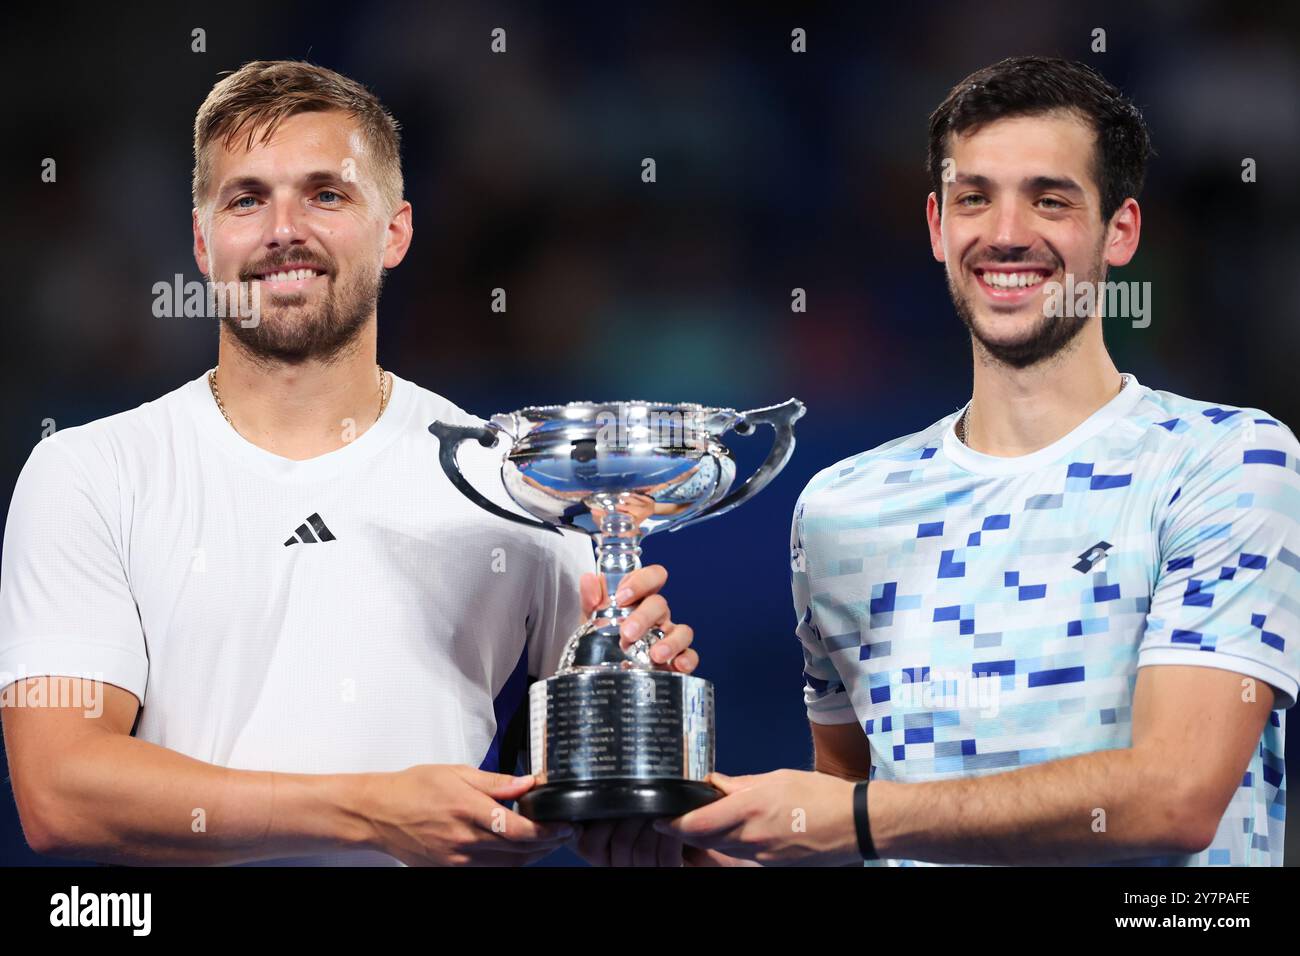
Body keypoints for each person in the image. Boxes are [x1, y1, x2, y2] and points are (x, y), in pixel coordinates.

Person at [0, 60, 697, 867]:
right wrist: (367, 810)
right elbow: (58, 790)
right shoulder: (89, 473)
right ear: (201, 240)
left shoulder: (513, 478)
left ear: (394, 230)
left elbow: (603, 796)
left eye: (326, 194)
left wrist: (634, 699)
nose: (283, 229)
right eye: (246, 198)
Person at [658, 55, 1299, 866]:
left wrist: (853, 818)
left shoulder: (1227, 460)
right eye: (974, 198)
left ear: (1121, 231)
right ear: (936, 226)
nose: (1004, 234)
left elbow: (1175, 796)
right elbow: (848, 832)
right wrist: (692, 830)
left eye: (1050, 199)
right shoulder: (839, 509)